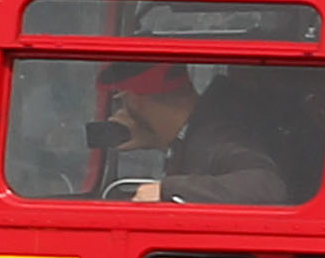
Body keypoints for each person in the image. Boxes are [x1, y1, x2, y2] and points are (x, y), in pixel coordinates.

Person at [95, 62, 292, 203]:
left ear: (133, 99)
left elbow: (267, 185)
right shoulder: (203, 128)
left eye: (119, 103)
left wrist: (166, 190)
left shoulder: (218, 136)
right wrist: (161, 141)